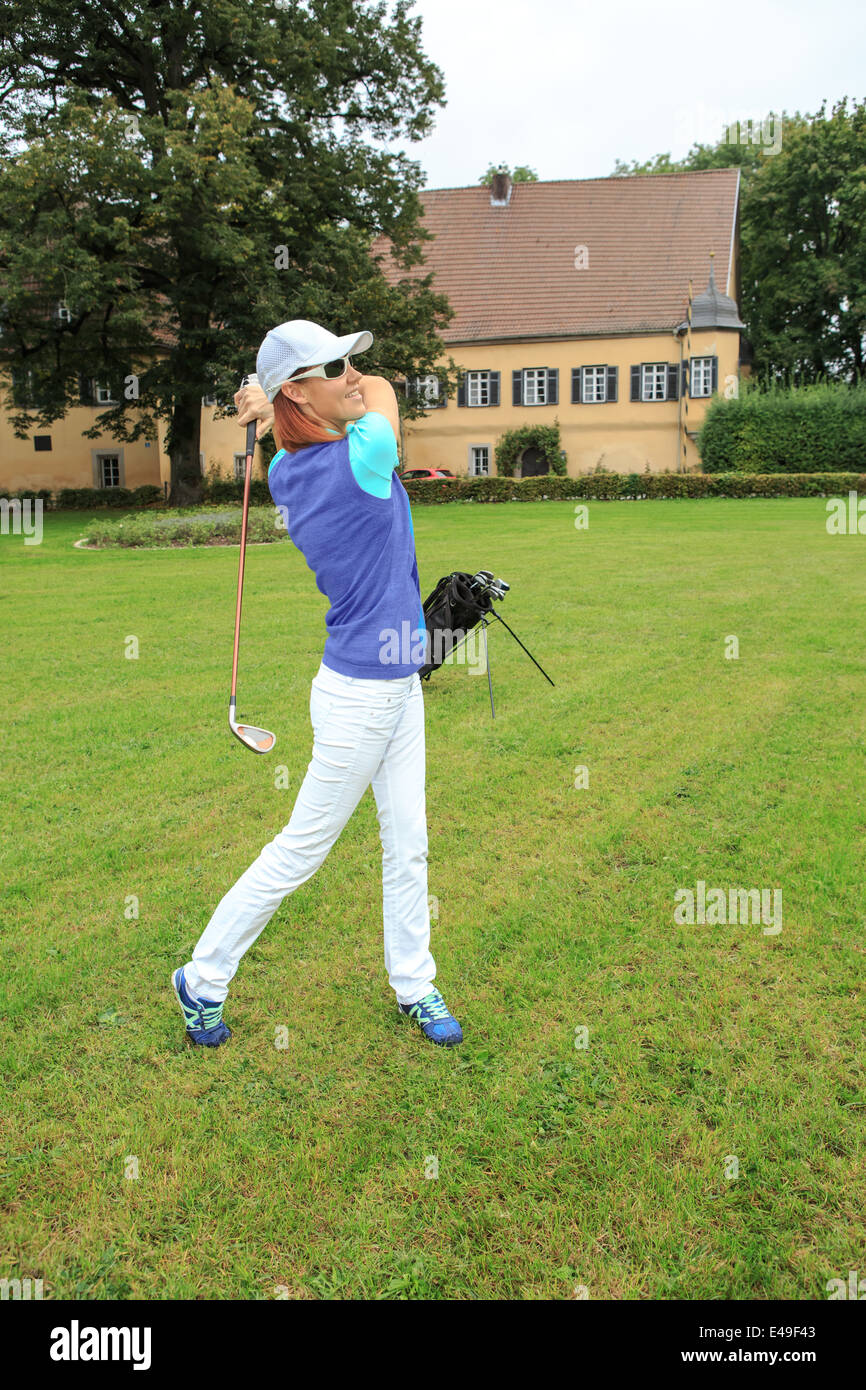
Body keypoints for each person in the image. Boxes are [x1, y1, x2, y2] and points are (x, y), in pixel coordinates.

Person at [172, 319, 463, 1048]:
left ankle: (414, 982)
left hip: (393, 685)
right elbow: (383, 395)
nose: (354, 376)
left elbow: (305, 434)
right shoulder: (366, 455)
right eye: (334, 366)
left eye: (349, 363)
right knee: (302, 847)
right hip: (363, 694)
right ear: (302, 388)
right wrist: (279, 406)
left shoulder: (284, 470)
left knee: (410, 845)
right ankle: (201, 977)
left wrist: (273, 412)